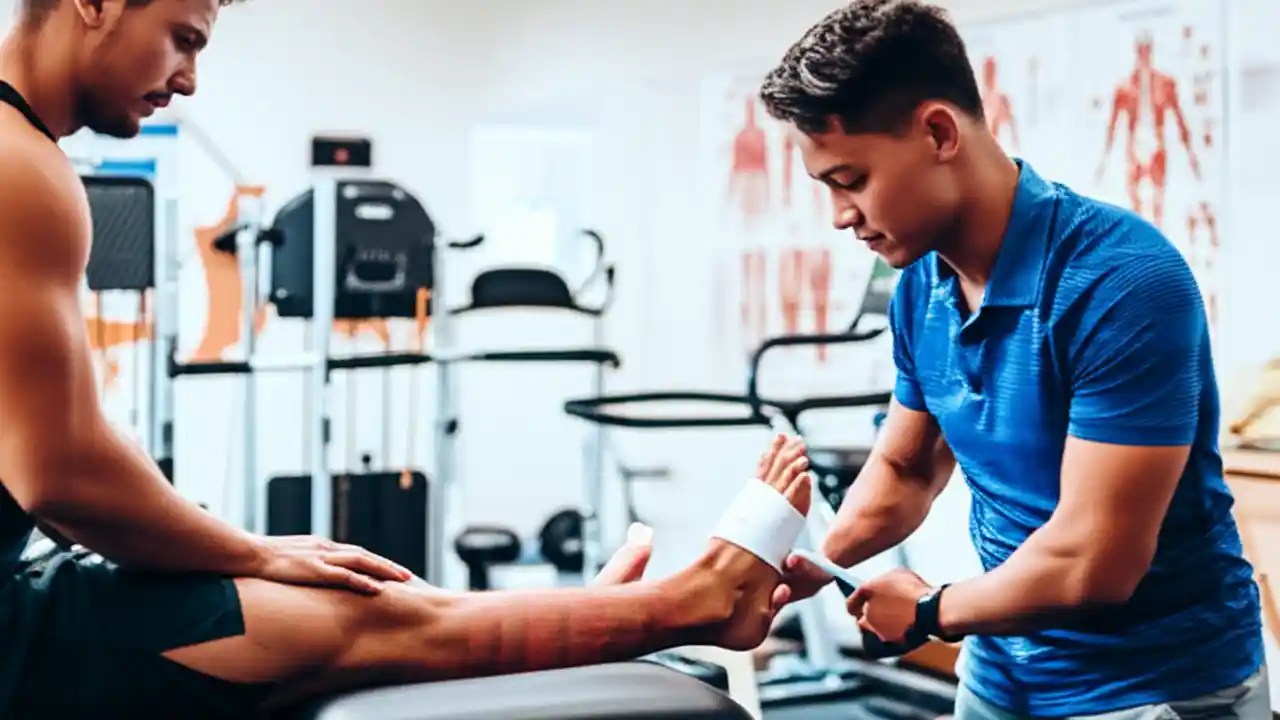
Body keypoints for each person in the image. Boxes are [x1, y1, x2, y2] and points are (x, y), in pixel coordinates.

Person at [0, 1, 816, 718]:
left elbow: (67, 445)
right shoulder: (21, 169)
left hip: (27, 590)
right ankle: (691, 603)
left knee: (353, 596)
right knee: (358, 615)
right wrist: (252, 550)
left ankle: (559, 627)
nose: (188, 80)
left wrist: (246, 549)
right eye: (183, 38)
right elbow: (63, 475)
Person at [759, 1, 1271, 718]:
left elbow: (1095, 561)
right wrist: (790, 564)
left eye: (851, 181)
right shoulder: (920, 290)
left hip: (1157, 686)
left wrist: (933, 613)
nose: (840, 215)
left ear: (939, 132)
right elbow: (906, 470)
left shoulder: (1122, 281)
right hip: (1003, 674)